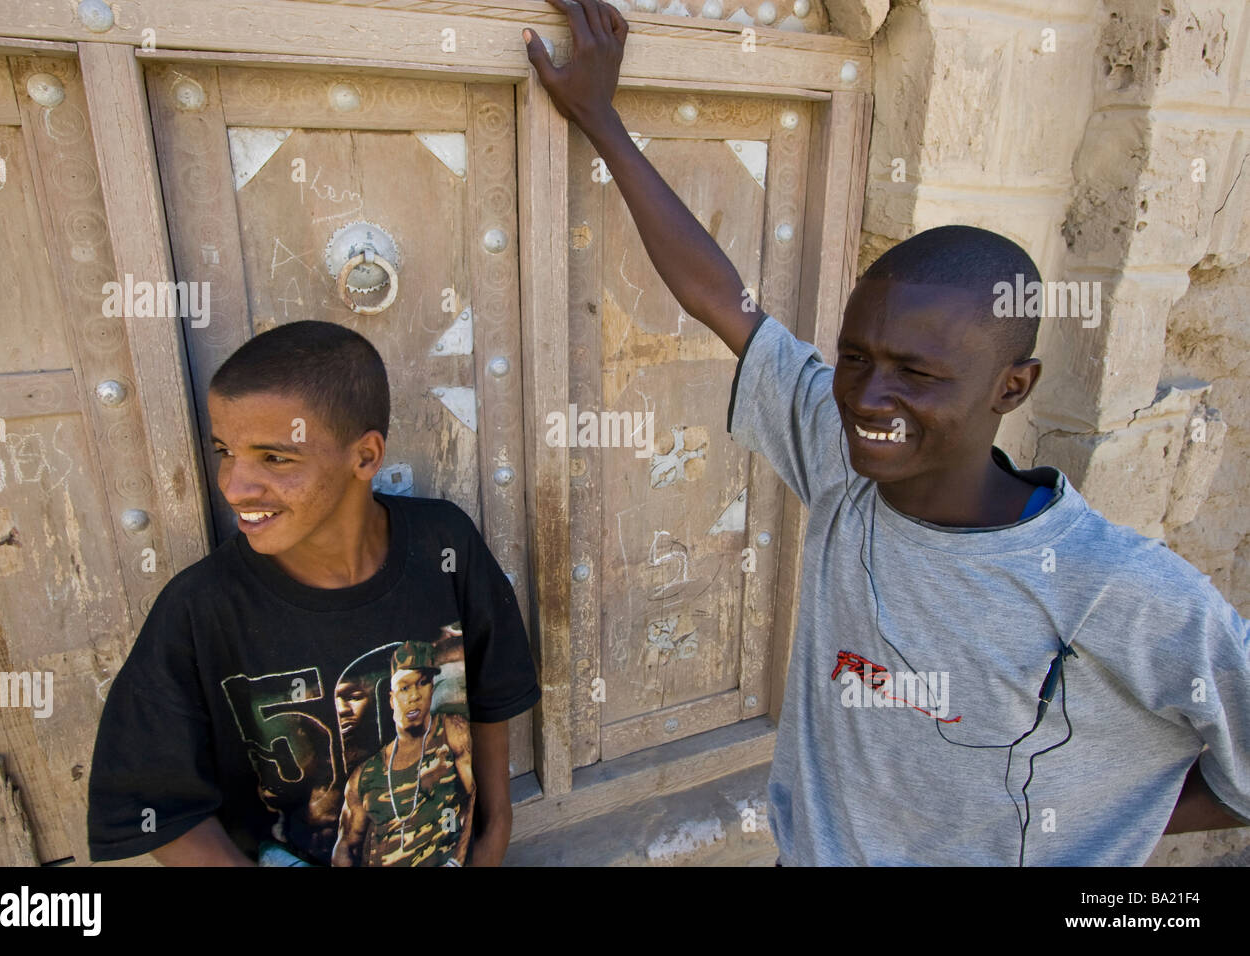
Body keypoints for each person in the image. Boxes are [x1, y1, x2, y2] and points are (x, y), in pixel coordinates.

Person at [522, 0, 1250, 865]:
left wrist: (1099, 815)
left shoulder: (1113, 588)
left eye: (920, 374)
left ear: (1012, 388)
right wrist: (601, 120)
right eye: (856, 357)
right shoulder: (841, 465)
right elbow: (723, 298)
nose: (869, 396)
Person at [87, 320, 540, 866]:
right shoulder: (201, 610)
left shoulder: (444, 545)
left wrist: (495, 830)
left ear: (366, 457)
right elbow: (154, 805)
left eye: (274, 458)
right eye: (225, 451)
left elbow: (495, 689)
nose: (234, 485)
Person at [332, 641, 476, 866]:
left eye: (423, 683)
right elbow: (345, 848)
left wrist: (457, 861)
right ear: (391, 699)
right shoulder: (364, 775)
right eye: (405, 687)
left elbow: (475, 796)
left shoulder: (452, 732)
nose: (415, 696)